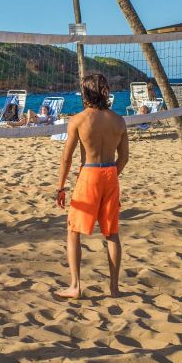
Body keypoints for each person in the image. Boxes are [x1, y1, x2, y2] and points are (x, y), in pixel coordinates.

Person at [54, 74, 129, 299]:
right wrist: (112, 175)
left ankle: (75, 286)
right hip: (110, 174)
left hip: (89, 173)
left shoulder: (78, 120)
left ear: (85, 94)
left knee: (73, 230)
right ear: (105, 92)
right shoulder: (119, 120)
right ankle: (114, 288)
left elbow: (66, 159)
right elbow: (124, 157)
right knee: (112, 233)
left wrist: (60, 187)